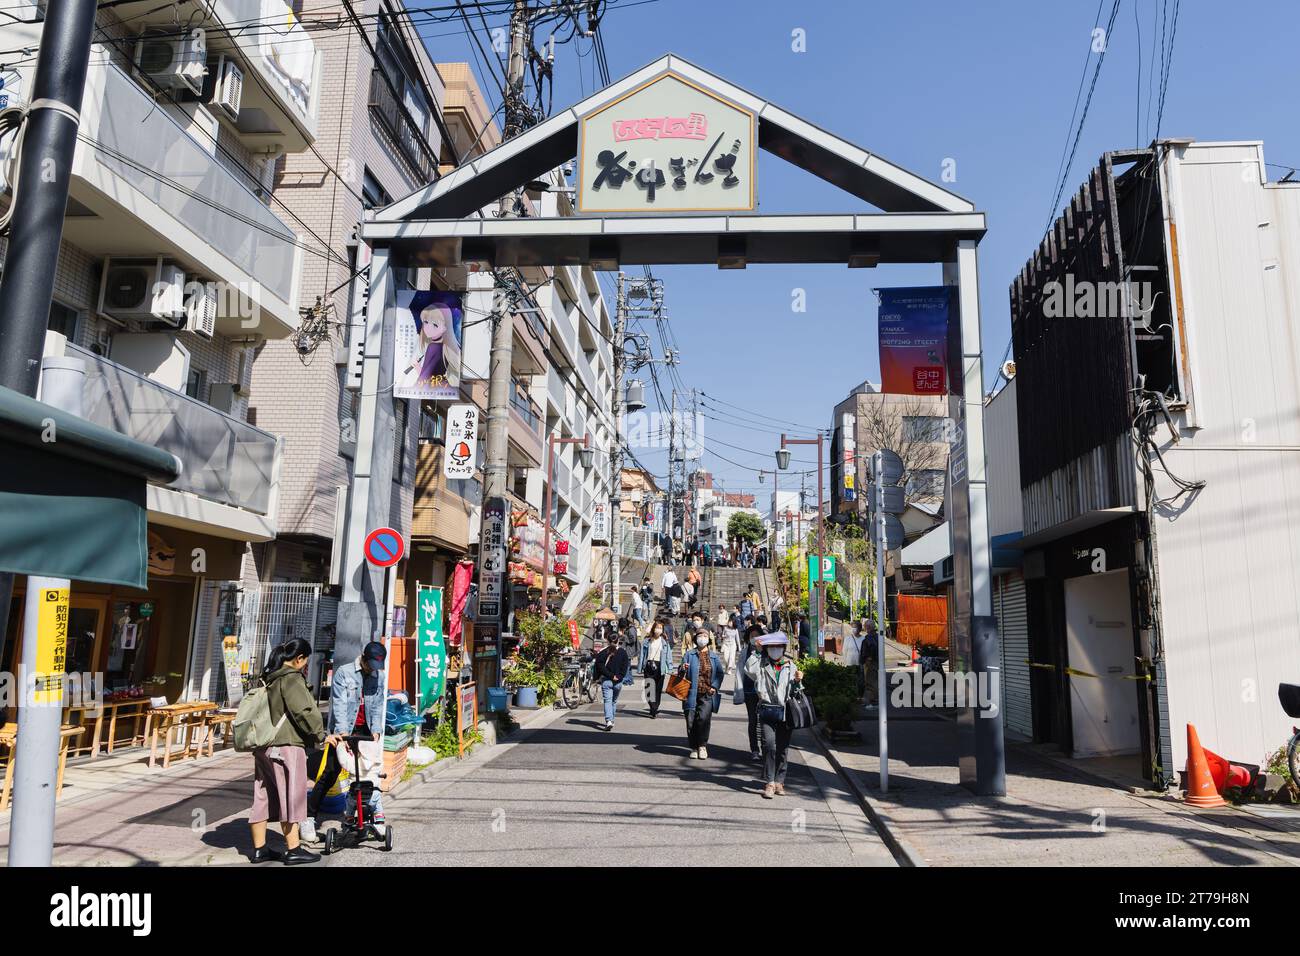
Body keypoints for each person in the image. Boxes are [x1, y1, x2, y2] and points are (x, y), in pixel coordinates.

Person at [249, 638, 326, 864]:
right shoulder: (291, 679)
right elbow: (303, 712)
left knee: (262, 796)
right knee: (291, 796)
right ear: (299, 658)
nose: (306, 665)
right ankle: (293, 849)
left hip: (264, 745)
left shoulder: (269, 678)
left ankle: (259, 849)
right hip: (286, 746)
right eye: (306, 661)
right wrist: (320, 734)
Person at [304, 640, 388, 845]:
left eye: (377, 667)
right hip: (344, 730)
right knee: (330, 772)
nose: (372, 670)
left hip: (366, 730)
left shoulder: (379, 675)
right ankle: (309, 816)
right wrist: (342, 732)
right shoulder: (344, 672)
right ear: (364, 658)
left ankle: (367, 815)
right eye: (370, 665)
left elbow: (377, 704)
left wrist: (376, 729)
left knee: (369, 774)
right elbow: (339, 702)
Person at [745, 633, 804, 798]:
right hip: (766, 710)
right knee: (769, 746)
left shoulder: (790, 665)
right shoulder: (761, 664)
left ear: (784, 649)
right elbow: (750, 670)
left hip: (785, 711)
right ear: (767, 648)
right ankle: (769, 781)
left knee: (783, 748)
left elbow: (796, 691)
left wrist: (799, 680)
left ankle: (780, 780)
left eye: (778, 647)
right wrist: (756, 651)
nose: (775, 650)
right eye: (771, 647)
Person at [680, 630, 725, 759]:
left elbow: (720, 674)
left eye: (705, 636)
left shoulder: (714, 656)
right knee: (690, 720)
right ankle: (694, 747)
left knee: (704, 720)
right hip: (691, 693)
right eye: (700, 636)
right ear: (695, 638)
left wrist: (714, 687)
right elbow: (680, 672)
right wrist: (683, 668)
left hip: (707, 693)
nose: (702, 638)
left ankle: (702, 746)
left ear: (708, 639)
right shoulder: (689, 654)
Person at [737, 623, 765, 761]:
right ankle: (754, 749)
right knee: (753, 720)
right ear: (748, 638)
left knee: (765, 720)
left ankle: (766, 747)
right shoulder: (744, 652)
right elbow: (740, 671)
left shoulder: (767, 650)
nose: (755, 638)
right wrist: (739, 690)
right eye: (752, 636)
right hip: (750, 691)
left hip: (765, 692)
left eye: (757, 635)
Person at [594, 634, 629, 731]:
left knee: (608, 701)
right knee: (613, 701)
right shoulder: (623, 652)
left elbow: (600, 666)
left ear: (608, 641)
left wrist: (610, 675)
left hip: (607, 680)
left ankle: (609, 721)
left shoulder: (603, 652)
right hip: (618, 682)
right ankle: (612, 720)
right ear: (618, 641)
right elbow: (625, 667)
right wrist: (619, 677)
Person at [641, 619, 673, 718]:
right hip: (649, 665)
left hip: (660, 666)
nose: (658, 630)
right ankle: (652, 707)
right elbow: (642, 655)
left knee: (658, 689)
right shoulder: (647, 641)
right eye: (657, 628)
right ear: (653, 628)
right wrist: (640, 666)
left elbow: (668, 655)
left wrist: (670, 668)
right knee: (649, 689)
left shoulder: (664, 642)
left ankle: (654, 708)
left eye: (660, 628)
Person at [843, 620, 868, 698]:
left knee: (861, 682)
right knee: (850, 681)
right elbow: (844, 651)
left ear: (860, 629)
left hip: (860, 663)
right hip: (849, 663)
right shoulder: (848, 638)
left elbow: (865, 652)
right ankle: (851, 696)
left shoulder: (864, 639)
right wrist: (845, 662)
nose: (853, 629)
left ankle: (860, 696)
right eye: (852, 627)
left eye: (855, 627)